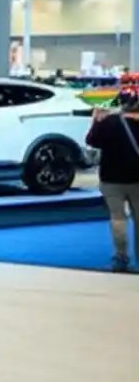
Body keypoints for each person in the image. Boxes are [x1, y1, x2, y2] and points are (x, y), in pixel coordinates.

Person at [85, 88, 139, 272]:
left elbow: (91, 141)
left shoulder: (110, 122)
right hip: (137, 178)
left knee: (118, 218)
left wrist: (97, 121)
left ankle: (121, 257)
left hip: (111, 178)